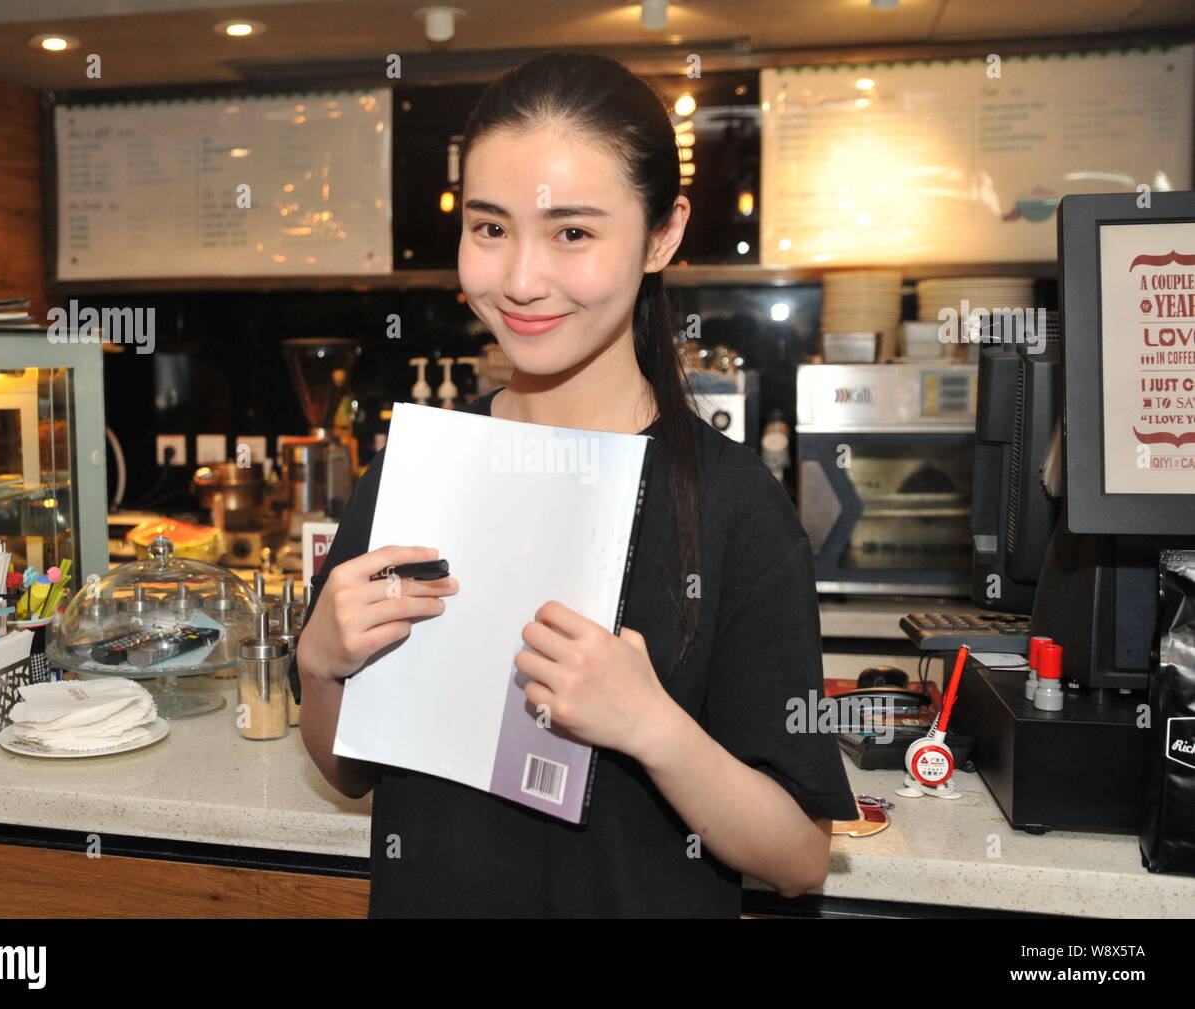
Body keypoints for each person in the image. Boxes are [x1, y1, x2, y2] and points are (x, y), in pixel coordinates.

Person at [292, 50, 856, 918]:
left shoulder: (736, 508)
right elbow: (352, 769)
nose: (519, 280)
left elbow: (797, 856)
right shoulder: (415, 472)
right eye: (490, 228)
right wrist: (320, 665)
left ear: (662, 235)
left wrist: (652, 726)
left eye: (573, 233)